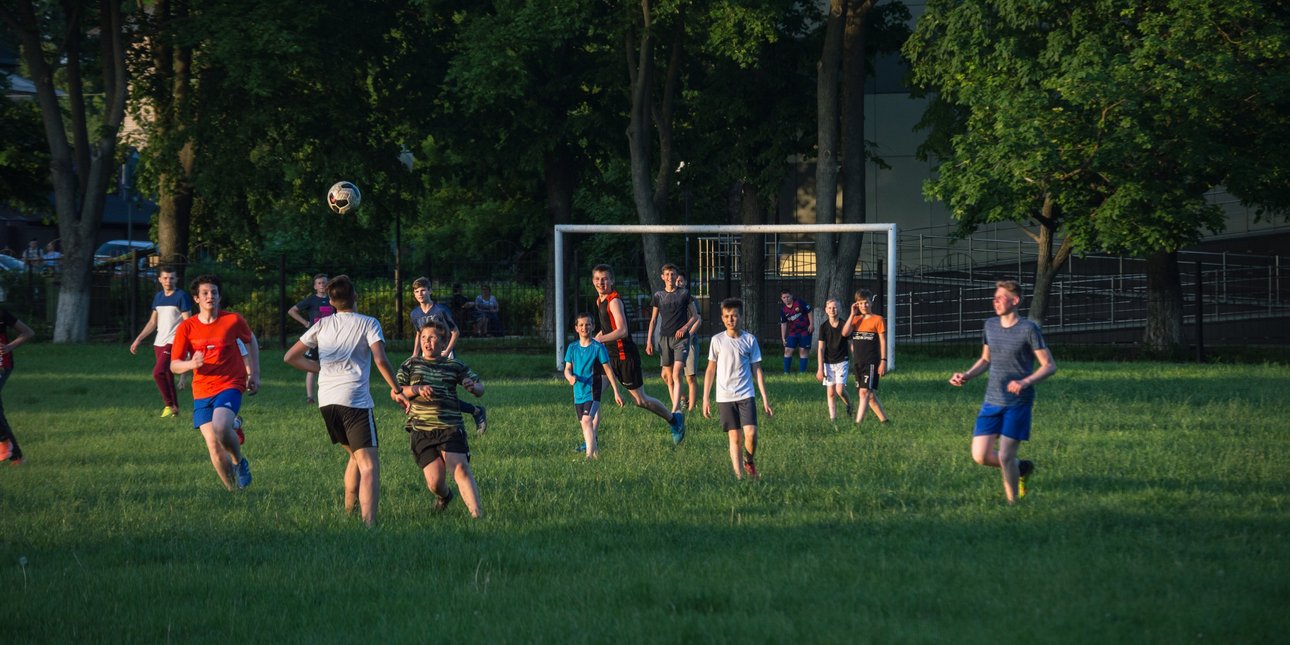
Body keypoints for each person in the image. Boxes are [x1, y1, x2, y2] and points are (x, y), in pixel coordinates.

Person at [285, 275, 405, 527]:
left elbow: (290, 357)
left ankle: (349, 512)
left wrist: (321, 369)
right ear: (356, 298)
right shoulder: (368, 323)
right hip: (355, 401)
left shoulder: (322, 325)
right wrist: (398, 389)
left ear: (331, 301)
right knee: (369, 465)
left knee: (354, 457)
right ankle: (370, 524)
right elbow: (381, 360)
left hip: (326, 401)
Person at [949, 280, 1057, 503]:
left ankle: (1013, 504)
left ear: (1015, 301)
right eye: (994, 297)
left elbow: (1049, 365)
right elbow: (985, 359)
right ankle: (1022, 468)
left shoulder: (1028, 329)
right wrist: (967, 375)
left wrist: (1025, 382)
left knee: (1006, 456)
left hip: (1018, 402)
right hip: (992, 400)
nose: (995, 301)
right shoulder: (990, 325)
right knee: (980, 456)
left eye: (1000, 297)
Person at [171, 274, 260, 492]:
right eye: (205, 293)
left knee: (220, 426)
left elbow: (251, 340)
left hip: (231, 382)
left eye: (214, 292)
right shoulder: (187, 328)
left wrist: (254, 374)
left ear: (219, 297)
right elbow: (174, 365)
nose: (210, 296)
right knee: (213, 445)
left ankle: (240, 463)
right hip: (202, 389)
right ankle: (234, 492)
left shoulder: (232, 320)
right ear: (196, 299)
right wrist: (191, 364)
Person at [397, 318, 485, 517]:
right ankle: (444, 496)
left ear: (444, 343)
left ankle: (478, 516)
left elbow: (480, 387)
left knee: (460, 468)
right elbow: (396, 391)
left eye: (433, 338)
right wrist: (416, 389)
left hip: (450, 426)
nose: (427, 342)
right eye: (424, 338)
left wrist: (472, 387)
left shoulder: (454, 365)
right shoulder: (411, 364)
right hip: (421, 429)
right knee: (435, 482)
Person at [592, 264, 686, 444]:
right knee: (592, 394)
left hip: (624, 357)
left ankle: (674, 420)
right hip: (608, 357)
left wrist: (599, 341)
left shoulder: (614, 301)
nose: (601, 282)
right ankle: (591, 441)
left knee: (641, 400)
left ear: (612, 281)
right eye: (597, 279)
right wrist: (590, 341)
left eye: (604, 279)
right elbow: (606, 330)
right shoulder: (599, 301)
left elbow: (622, 331)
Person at [702, 298, 773, 480]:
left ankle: (748, 461)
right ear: (722, 318)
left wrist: (764, 398)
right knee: (734, 438)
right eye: (726, 316)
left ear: (741, 317)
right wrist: (705, 398)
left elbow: (757, 369)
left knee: (751, 433)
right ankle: (739, 477)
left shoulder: (750, 340)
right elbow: (711, 369)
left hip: (746, 394)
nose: (730, 320)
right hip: (724, 396)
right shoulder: (717, 340)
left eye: (734, 316)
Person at [408, 276, 486, 433]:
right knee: (423, 391)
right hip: (426, 356)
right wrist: (415, 354)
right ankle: (419, 420)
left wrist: (447, 352)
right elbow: (418, 333)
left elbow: (455, 332)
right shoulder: (415, 314)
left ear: (430, 290)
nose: (420, 294)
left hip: (444, 354)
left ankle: (475, 411)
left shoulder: (441, 311)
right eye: (416, 291)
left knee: (445, 395)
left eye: (423, 290)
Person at [129, 266, 194, 418]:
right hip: (159, 342)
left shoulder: (181, 296)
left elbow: (188, 322)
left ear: (176, 279)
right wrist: (138, 339)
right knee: (166, 374)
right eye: (165, 278)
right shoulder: (158, 297)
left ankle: (168, 404)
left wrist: (188, 344)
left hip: (173, 341)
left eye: (171, 278)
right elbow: (153, 322)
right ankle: (175, 408)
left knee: (157, 372)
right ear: (159, 279)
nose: (168, 281)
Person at [563, 313, 624, 459]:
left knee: (587, 420)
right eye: (582, 325)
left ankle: (588, 457)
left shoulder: (598, 348)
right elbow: (567, 368)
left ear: (593, 327)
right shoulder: (572, 348)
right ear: (576, 328)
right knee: (585, 425)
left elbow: (609, 370)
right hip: (578, 392)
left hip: (593, 390)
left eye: (588, 324)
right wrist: (570, 377)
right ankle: (595, 454)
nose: (585, 327)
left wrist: (616, 392)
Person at [645, 263, 700, 414]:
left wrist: (684, 328)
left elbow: (695, 316)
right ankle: (676, 407)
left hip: (681, 339)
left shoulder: (684, 294)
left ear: (677, 277)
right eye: (667, 274)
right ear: (663, 277)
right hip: (664, 339)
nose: (670, 277)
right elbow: (653, 320)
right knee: (669, 377)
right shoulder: (658, 296)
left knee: (677, 373)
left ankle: (676, 409)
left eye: (673, 274)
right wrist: (649, 340)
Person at [842, 289, 890, 425]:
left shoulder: (878, 319)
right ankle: (885, 422)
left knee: (864, 393)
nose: (864, 306)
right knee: (870, 396)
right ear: (856, 304)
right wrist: (852, 314)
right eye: (860, 303)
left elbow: (883, 341)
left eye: (866, 302)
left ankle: (858, 424)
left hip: (871, 362)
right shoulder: (855, 320)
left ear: (871, 302)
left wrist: (883, 361)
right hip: (858, 362)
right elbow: (845, 333)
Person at [287, 273, 335, 404]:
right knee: (312, 366)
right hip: (315, 338)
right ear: (315, 286)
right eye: (319, 283)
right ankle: (310, 397)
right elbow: (292, 311)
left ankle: (329, 395)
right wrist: (305, 323)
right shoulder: (311, 300)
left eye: (324, 282)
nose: (322, 285)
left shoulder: (333, 300)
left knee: (330, 366)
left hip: (331, 338)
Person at [0, 309, 36, 466]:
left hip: (2, 365)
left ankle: (5, 443)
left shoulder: (2, 314)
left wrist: (9, 346)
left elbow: (28, 332)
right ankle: (16, 457)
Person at [815, 298, 853, 423]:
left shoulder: (844, 325)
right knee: (831, 392)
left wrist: (857, 360)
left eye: (835, 307)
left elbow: (851, 344)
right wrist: (820, 369)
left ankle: (849, 404)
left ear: (840, 309)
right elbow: (820, 348)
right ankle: (833, 420)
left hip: (842, 361)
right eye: (830, 308)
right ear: (826, 310)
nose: (832, 310)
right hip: (828, 363)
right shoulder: (823, 327)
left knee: (840, 390)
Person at [778, 289, 813, 374]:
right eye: (784, 297)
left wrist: (811, 324)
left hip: (805, 331)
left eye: (788, 297)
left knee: (803, 351)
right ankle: (786, 372)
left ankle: (802, 373)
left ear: (791, 296)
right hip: (793, 333)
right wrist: (783, 337)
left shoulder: (799, 302)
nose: (786, 299)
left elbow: (809, 311)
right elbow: (784, 324)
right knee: (787, 350)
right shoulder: (783, 310)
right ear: (781, 299)